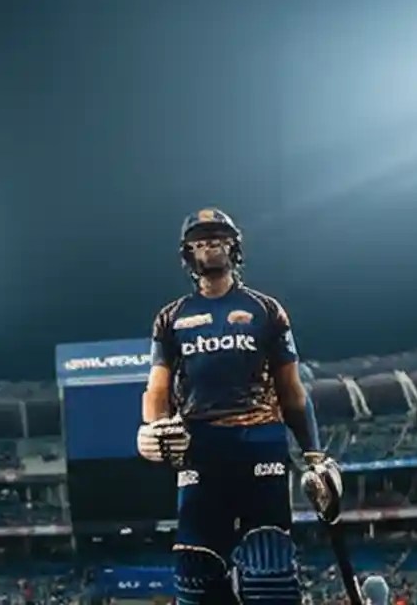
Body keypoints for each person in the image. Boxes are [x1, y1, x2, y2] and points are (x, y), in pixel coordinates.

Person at [136, 208, 342, 604]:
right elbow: (157, 391)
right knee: (196, 572)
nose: (209, 247)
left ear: (235, 247)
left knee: (269, 566)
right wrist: (152, 428)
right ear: (187, 254)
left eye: (217, 239)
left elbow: (292, 392)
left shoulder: (266, 310)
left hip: (259, 441)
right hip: (199, 447)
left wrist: (313, 455)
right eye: (200, 241)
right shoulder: (170, 318)